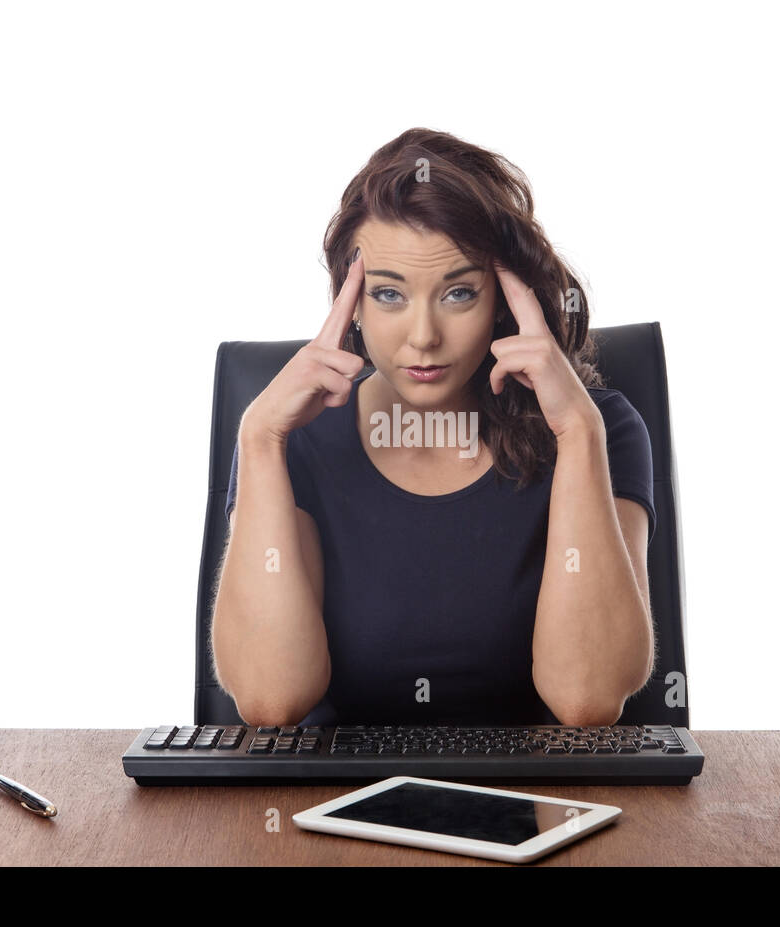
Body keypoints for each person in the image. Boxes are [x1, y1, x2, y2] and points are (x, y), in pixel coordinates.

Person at [211, 128, 657, 729]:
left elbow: (587, 701)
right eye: (389, 293)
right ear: (352, 302)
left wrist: (578, 431)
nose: (423, 336)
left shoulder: (600, 430)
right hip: (336, 806)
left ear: (503, 298)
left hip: (539, 802)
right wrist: (260, 440)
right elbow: (272, 702)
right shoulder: (292, 442)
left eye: (458, 293)